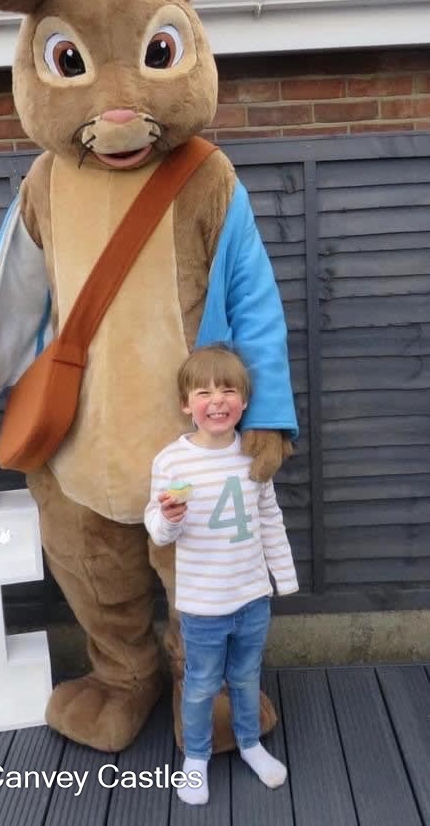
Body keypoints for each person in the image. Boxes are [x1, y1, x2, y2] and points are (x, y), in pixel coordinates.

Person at [144, 344, 298, 806]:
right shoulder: (172, 461)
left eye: (229, 390)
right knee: (202, 684)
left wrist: (282, 578)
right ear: (186, 404)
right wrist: (170, 516)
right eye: (204, 391)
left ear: (244, 401)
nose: (217, 400)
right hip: (203, 606)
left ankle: (250, 744)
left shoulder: (254, 455)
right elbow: (156, 529)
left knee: (248, 678)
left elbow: (269, 517)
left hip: (252, 596)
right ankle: (196, 757)